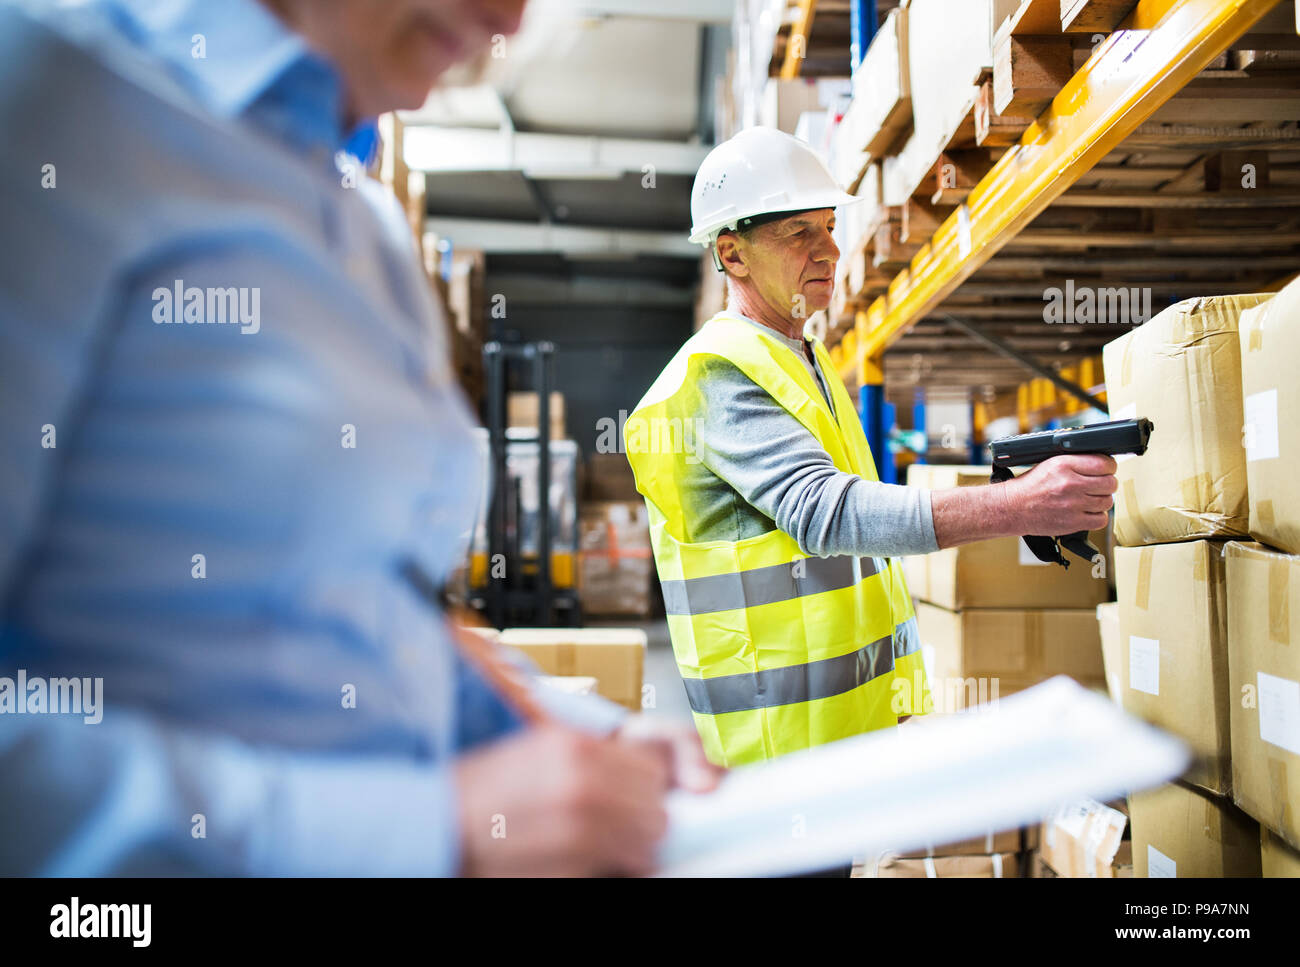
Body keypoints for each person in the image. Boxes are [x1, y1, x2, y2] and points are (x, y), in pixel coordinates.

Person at [0, 0, 716, 877]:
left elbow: (379, 615)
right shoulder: (45, 94)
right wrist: (426, 830)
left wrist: (590, 740)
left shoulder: (359, 221)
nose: (510, 17)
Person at [625, 127, 1118, 768]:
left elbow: (856, 549)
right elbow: (829, 515)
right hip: (779, 747)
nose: (830, 249)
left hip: (846, 731)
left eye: (829, 226)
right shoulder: (719, 374)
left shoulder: (806, 358)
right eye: (799, 232)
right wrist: (1019, 506)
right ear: (734, 254)